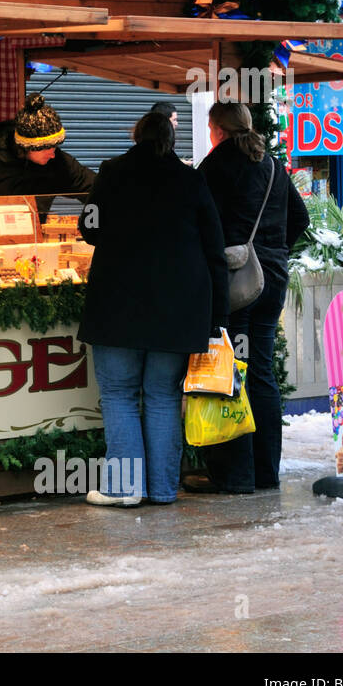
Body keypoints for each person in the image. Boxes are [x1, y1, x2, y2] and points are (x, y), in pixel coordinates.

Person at [78, 112, 229, 505]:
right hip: (178, 309)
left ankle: (124, 488)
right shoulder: (191, 179)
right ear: (172, 139)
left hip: (117, 304)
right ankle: (162, 490)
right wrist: (218, 318)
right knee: (163, 396)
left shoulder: (111, 172)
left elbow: (90, 227)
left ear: (135, 134)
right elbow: (216, 250)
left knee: (119, 394)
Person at [189, 100, 310, 494]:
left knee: (230, 373)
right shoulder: (272, 164)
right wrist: (274, 251)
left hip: (234, 286)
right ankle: (266, 472)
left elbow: (199, 221)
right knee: (260, 371)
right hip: (271, 280)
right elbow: (301, 219)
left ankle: (235, 474)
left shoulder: (216, 165)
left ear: (217, 130)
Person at [0, 94, 96, 203]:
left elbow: (95, 188)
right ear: (26, 147)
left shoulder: (59, 162)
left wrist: (92, 224)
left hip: (35, 243)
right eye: (45, 148)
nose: (52, 154)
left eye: (55, 147)